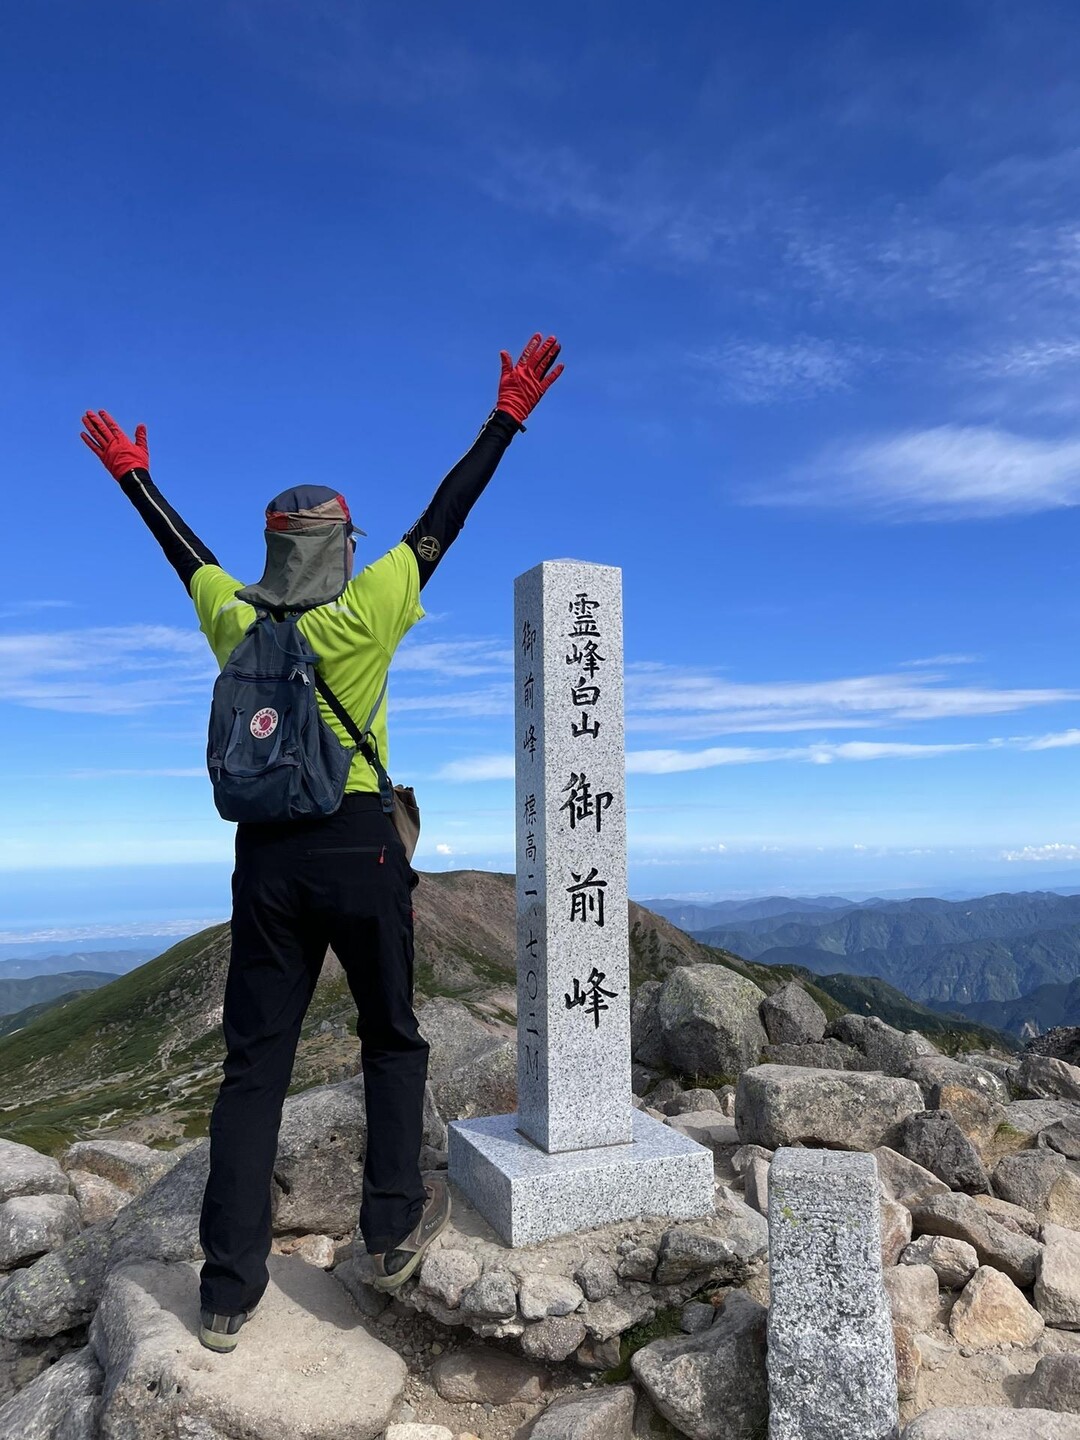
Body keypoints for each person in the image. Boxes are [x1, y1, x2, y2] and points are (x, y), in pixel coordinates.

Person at [79, 334, 564, 1352]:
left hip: (264, 858)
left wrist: (135, 477)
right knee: (391, 1033)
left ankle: (226, 1292)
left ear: (270, 546)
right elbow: (448, 517)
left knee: (254, 1068)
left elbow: (187, 558)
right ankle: (390, 1231)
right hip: (359, 844)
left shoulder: (234, 616)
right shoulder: (374, 603)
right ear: (342, 544)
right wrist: (506, 415)